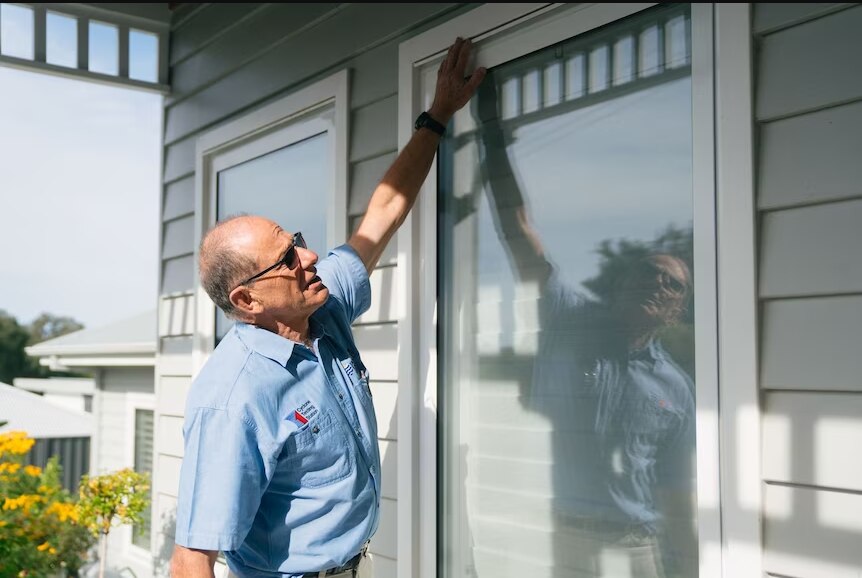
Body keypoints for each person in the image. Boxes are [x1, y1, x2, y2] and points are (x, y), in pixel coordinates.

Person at [170, 38, 486, 578]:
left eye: (295, 241)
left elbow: (381, 216)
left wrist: (435, 117)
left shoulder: (320, 306)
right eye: (286, 259)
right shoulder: (233, 397)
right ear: (246, 301)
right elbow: (192, 559)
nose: (309, 257)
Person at [471, 73, 697, 577]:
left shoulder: (676, 389)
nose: (657, 286)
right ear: (620, 285)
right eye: (647, 274)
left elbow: (677, 494)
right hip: (568, 537)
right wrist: (490, 134)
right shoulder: (570, 319)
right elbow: (516, 226)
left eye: (671, 285)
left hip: (639, 545)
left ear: (676, 310)